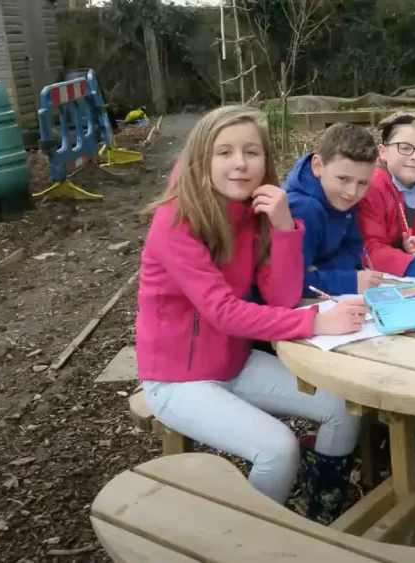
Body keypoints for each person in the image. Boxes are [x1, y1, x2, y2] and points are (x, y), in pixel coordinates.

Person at [135, 105, 364, 523]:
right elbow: (222, 312)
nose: (240, 163)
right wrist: (314, 321)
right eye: (224, 152)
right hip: (177, 379)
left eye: (251, 152)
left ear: (266, 161)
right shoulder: (175, 222)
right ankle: (251, 538)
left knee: (342, 403)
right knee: (277, 448)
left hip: (234, 363)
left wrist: (282, 227)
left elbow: (281, 297)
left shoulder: (254, 212)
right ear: (202, 159)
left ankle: (321, 509)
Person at [285, 122, 385, 297]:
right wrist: (348, 281)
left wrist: (322, 269)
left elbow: (353, 249)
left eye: (363, 183)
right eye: (343, 179)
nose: (352, 192)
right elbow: (290, 282)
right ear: (317, 166)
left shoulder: (339, 197)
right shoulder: (305, 209)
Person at [357, 113, 415, 279]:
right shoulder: (371, 186)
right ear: (383, 152)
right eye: (405, 148)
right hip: (378, 274)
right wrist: (410, 264)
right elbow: (368, 246)